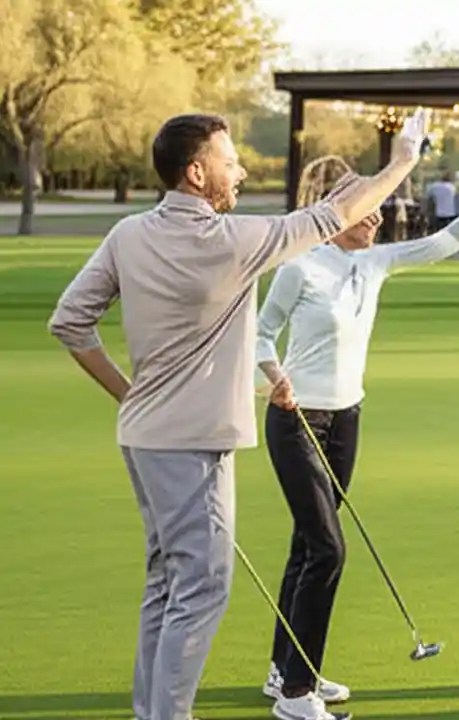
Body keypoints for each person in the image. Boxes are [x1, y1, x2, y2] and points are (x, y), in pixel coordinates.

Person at [46, 111, 428, 720]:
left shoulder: (129, 234)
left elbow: (70, 321)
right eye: (230, 161)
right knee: (202, 587)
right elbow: (335, 215)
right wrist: (402, 161)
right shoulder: (234, 241)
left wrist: (130, 394)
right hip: (192, 445)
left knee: (167, 583)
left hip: (144, 437)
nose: (241, 171)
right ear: (197, 173)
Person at [254, 140, 459, 720]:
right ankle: (296, 695)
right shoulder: (300, 266)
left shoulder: (376, 261)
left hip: (346, 418)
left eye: (380, 209)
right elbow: (261, 335)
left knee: (307, 545)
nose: (376, 217)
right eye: (366, 208)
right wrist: (275, 378)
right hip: (296, 419)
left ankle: (286, 669)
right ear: (336, 211)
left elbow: (448, 239)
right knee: (327, 550)